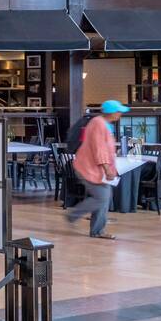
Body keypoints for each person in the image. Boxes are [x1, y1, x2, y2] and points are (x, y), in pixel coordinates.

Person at [68, 99, 126, 240]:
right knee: (102, 197)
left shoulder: (104, 124)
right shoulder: (98, 124)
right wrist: (107, 169)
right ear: (111, 112)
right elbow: (99, 149)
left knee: (104, 197)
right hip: (88, 167)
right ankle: (76, 215)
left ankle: (97, 230)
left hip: (94, 168)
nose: (120, 114)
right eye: (118, 111)